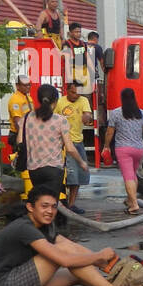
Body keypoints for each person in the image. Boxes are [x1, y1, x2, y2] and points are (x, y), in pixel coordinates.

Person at [0, 184, 143, 286]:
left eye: (53, 207)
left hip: (23, 280)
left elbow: (72, 246)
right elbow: (65, 260)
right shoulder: (24, 228)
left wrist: (106, 264)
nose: (50, 211)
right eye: (44, 206)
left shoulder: (45, 224)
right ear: (30, 207)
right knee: (66, 255)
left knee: (78, 273)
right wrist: (99, 256)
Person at [20, 83, 87, 202]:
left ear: (39, 99)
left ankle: (41, 220)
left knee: (40, 201)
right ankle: (51, 220)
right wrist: (81, 162)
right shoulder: (60, 120)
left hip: (34, 169)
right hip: (54, 169)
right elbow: (70, 148)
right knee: (51, 202)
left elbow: (19, 141)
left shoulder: (27, 118)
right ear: (55, 101)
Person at [104, 86, 143, 216]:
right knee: (133, 175)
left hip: (123, 149)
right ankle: (130, 199)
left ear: (122, 99)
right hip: (138, 149)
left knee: (128, 177)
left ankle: (134, 205)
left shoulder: (116, 113)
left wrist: (106, 146)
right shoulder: (141, 113)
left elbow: (110, 132)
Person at [55, 78, 94, 214]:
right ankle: (61, 204)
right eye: (73, 93)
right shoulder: (60, 102)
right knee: (67, 176)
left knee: (78, 175)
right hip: (63, 144)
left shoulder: (83, 101)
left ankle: (71, 205)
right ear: (67, 91)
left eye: (78, 93)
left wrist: (87, 117)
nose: (75, 96)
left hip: (78, 142)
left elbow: (87, 114)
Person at [7, 73, 33, 169]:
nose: (28, 87)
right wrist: (22, 138)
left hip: (28, 134)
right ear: (17, 86)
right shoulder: (15, 100)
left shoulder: (27, 97)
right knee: (20, 163)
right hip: (19, 135)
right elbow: (18, 122)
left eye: (29, 84)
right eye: (25, 85)